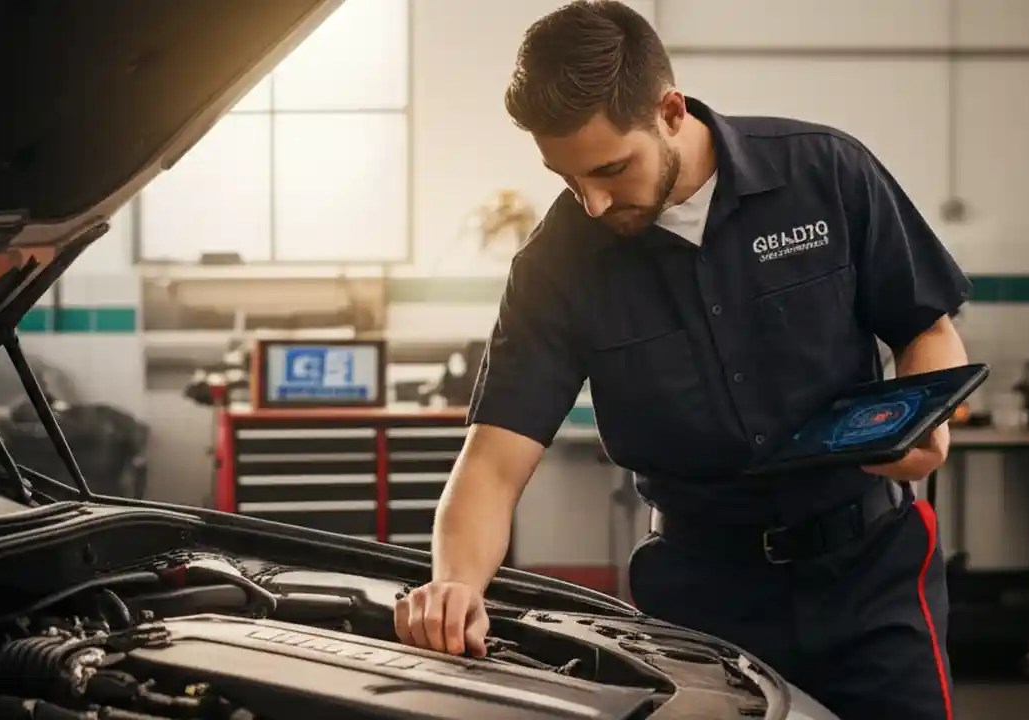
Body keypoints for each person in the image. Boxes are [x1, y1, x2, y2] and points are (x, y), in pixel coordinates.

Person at [393, 2, 971, 718]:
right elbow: (491, 462)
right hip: (702, 604)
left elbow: (927, 326)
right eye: (568, 178)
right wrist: (455, 584)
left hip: (868, 575)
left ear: (670, 110)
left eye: (610, 169)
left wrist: (924, 419)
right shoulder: (556, 265)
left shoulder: (824, 171)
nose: (594, 203)